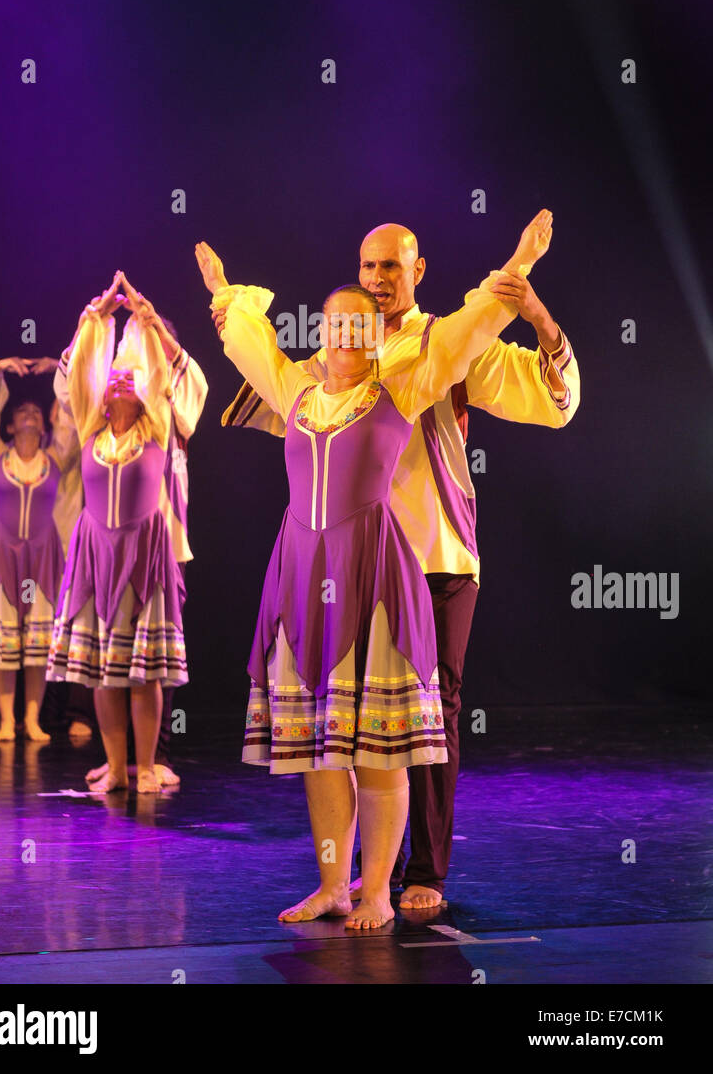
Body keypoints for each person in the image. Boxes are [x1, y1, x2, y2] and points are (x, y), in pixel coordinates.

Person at [195, 211, 550, 930]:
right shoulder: (301, 388)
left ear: (417, 271)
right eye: (366, 272)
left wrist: (518, 275)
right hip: (309, 571)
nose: (375, 288)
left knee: (401, 735)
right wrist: (227, 296)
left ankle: (400, 879)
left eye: (391, 268)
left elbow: (469, 333)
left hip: (409, 564)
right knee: (327, 743)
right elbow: (254, 353)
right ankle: (334, 880)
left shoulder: (410, 377)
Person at [46, 272, 199, 794]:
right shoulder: (89, 426)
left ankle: (150, 763)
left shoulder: (156, 428)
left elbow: (175, 376)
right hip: (95, 554)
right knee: (103, 671)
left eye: (129, 374)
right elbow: (73, 374)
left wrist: (147, 319)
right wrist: (96, 317)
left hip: (143, 554)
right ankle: (114, 767)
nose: (119, 378)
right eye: (111, 374)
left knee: (143, 673)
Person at [0, 357, 79, 742]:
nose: (28, 415)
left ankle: (34, 719)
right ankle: (7, 721)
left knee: (37, 646)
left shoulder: (56, 457)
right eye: (20, 411)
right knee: (4, 642)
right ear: (10, 424)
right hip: (1, 553)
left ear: (44, 425)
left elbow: (76, 410)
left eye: (35, 412)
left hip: (42, 557)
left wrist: (60, 367)